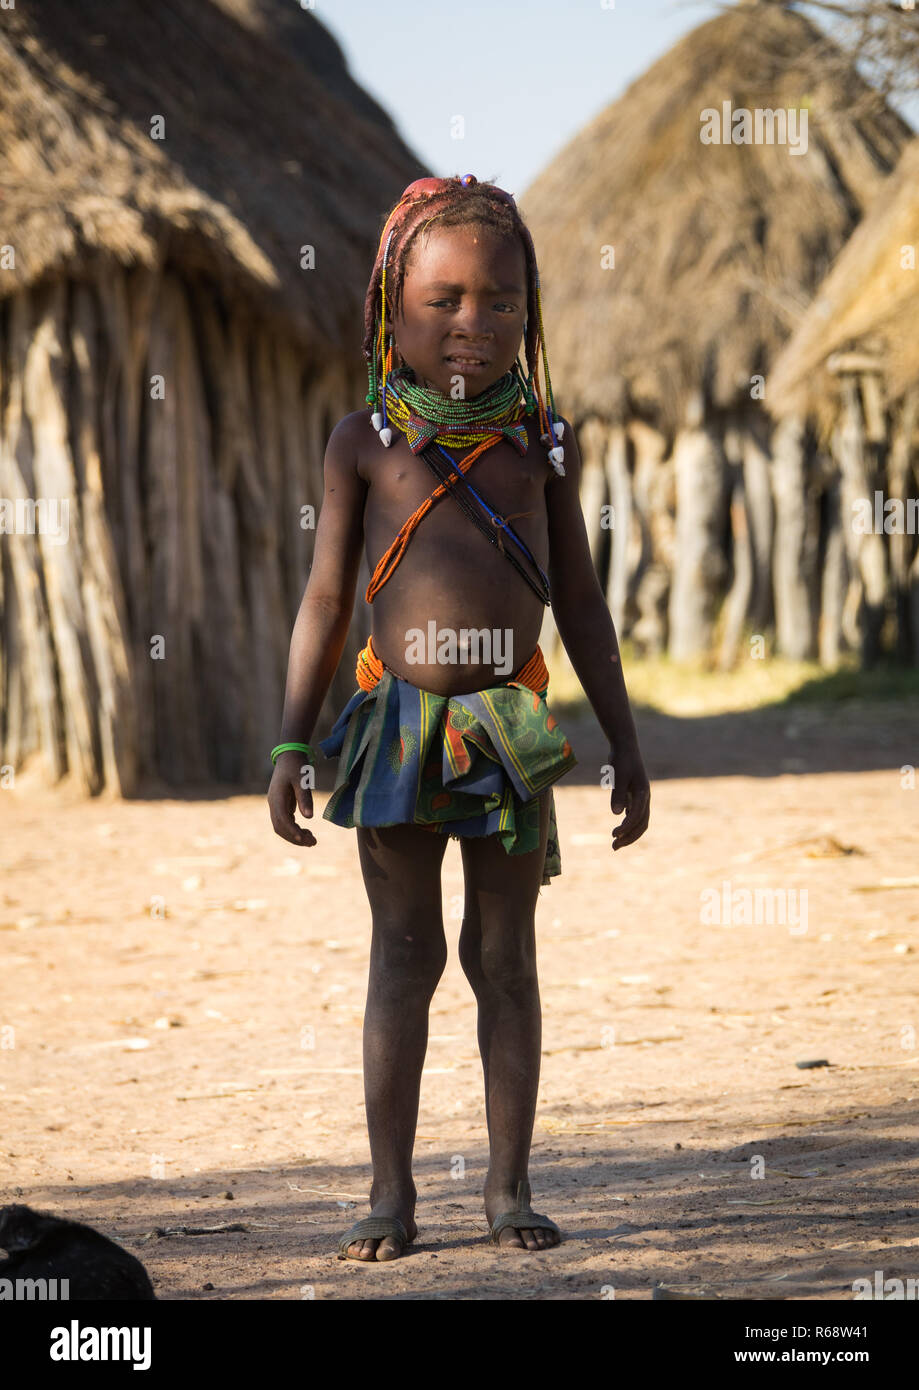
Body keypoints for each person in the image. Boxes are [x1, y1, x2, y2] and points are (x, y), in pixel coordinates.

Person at [268, 174, 650, 1263]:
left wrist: (624, 743)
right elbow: (326, 600)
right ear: (392, 304)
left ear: (531, 313)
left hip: (510, 735)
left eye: (501, 301)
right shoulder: (361, 442)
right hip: (391, 730)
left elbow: (579, 603)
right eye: (444, 300)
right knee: (402, 954)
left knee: (506, 958)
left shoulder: (545, 448)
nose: (473, 325)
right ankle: (389, 1195)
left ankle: (507, 1189)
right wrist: (295, 740)